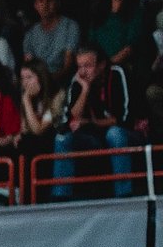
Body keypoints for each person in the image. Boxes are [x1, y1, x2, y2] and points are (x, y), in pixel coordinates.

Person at [52, 47, 142, 200]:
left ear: (101, 65)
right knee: (62, 138)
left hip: (129, 134)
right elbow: (71, 119)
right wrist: (85, 89)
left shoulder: (117, 73)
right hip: (95, 138)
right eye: (79, 66)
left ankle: (123, 195)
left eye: (88, 66)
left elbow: (125, 119)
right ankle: (60, 198)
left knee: (114, 133)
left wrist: (92, 123)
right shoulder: (78, 80)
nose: (82, 71)